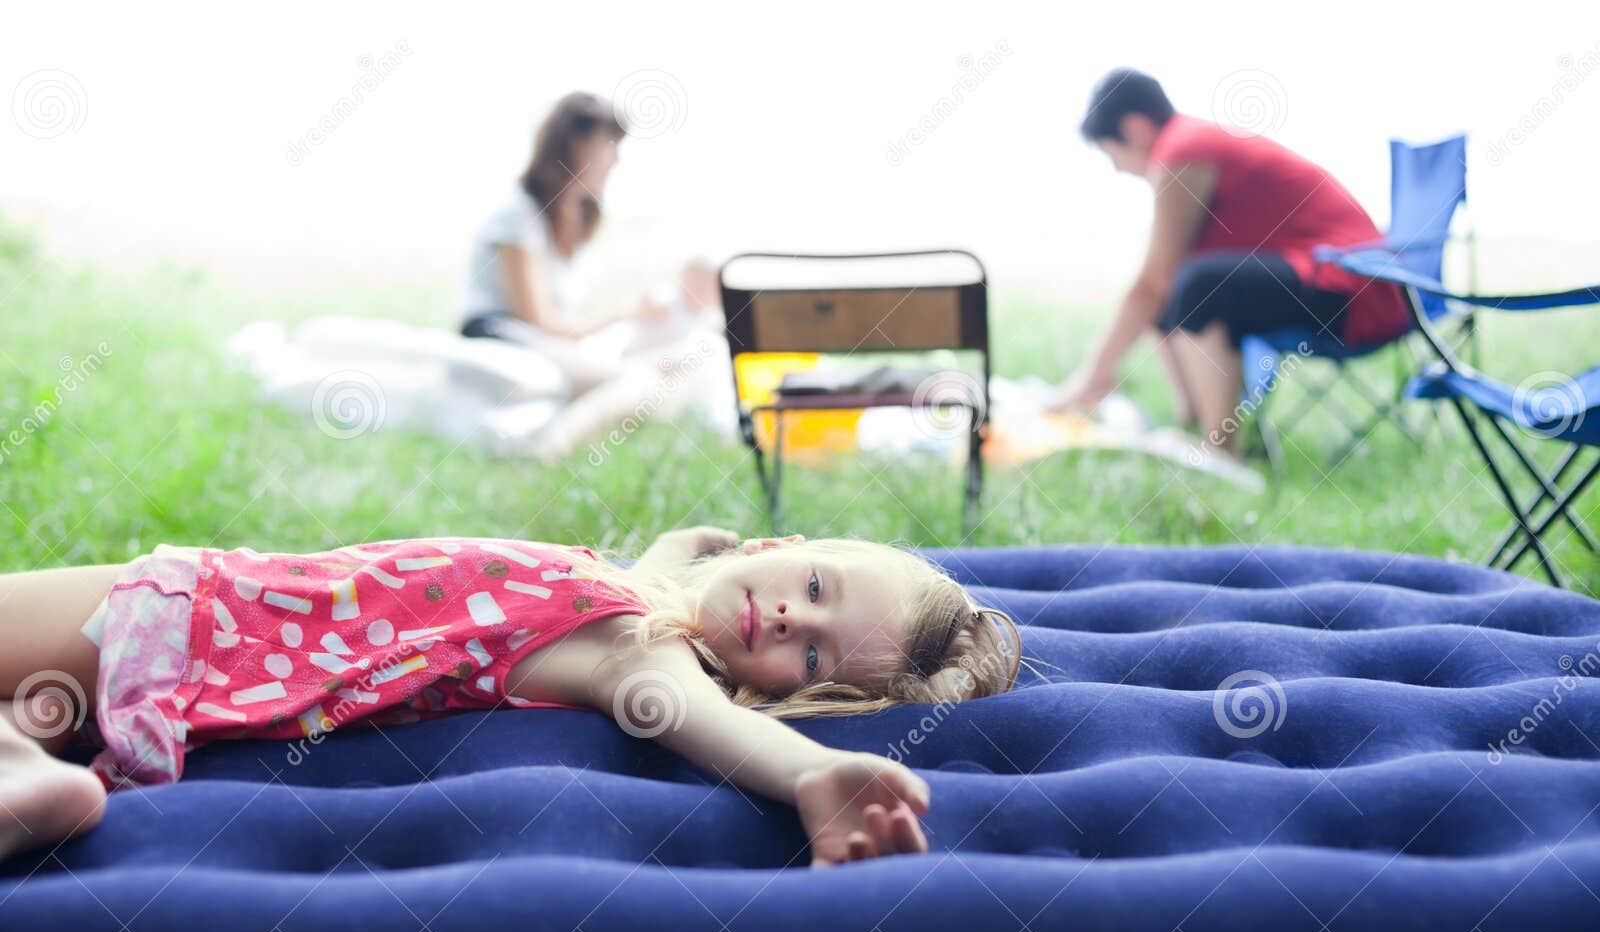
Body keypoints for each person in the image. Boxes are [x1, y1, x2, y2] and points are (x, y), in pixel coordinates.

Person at [0, 527, 1022, 868]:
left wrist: (812, 771)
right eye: (812, 585)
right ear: (778, 546)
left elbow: (689, 713)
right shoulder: (642, 588)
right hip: (194, 656)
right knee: (34, 700)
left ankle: (32, 770)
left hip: (193, 613)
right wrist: (694, 550)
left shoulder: (638, 650)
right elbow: (667, 559)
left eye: (813, 660)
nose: (790, 621)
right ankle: (33, 773)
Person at [1048, 69, 1410, 454]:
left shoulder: (1183, 150)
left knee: (1196, 285)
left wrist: (1092, 377)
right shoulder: (1191, 141)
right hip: (1335, 282)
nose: (1118, 168)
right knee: (1181, 288)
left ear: (1135, 129)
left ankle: (1220, 450)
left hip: (1360, 290)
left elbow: (1153, 281)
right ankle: (1192, 422)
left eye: (1112, 154)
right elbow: (1157, 289)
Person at [459, 92, 719, 394]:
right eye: (609, 145)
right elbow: (539, 321)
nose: (617, 159)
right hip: (500, 336)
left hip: (543, 343)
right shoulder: (517, 217)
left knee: (645, 365)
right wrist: (626, 313)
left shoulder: (573, 222)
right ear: (573, 146)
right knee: (625, 377)